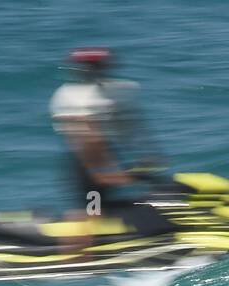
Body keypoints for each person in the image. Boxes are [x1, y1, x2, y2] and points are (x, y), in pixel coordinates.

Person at [48, 48, 171, 240]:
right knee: (91, 213)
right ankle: (75, 258)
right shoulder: (72, 99)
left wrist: (150, 157)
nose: (95, 71)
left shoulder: (116, 92)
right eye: (90, 67)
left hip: (106, 153)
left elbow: (132, 126)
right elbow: (96, 168)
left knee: (128, 204)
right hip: (85, 166)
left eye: (99, 67)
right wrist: (134, 176)